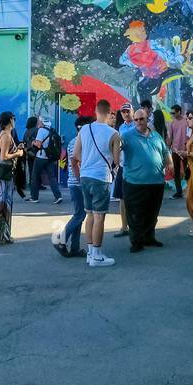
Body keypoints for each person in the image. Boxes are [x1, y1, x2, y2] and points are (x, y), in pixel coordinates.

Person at [73, 99, 120, 267]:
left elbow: (76, 155)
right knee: (100, 216)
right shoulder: (113, 133)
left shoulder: (84, 129)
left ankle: (90, 253)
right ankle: (98, 256)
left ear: (96, 111)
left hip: (85, 176)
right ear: (109, 113)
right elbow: (116, 160)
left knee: (90, 214)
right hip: (101, 177)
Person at [118, 106, 169, 252]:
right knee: (135, 214)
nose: (139, 122)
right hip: (134, 182)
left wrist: (170, 162)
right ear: (133, 121)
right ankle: (136, 241)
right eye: (136, 119)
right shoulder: (127, 135)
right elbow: (117, 147)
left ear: (147, 119)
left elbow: (165, 151)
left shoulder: (156, 136)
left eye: (142, 119)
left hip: (156, 182)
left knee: (152, 213)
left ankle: (149, 237)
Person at [54, 115, 93, 257]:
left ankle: (75, 248)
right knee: (80, 214)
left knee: (80, 215)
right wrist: (82, 180)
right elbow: (78, 163)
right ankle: (60, 239)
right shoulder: (82, 142)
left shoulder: (72, 142)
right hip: (79, 183)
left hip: (74, 183)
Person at [0, 112, 24, 242]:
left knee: (1, 204)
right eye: (14, 118)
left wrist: (16, 150)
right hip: (4, 174)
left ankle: (0, 234)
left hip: (3, 174)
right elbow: (4, 156)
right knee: (3, 204)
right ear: (10, 120)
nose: (14, 121)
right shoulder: (6, 136)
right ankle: (3, 235)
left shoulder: (4, 135)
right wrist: (18, 154)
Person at [29, 114, 64, 204]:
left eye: (39, 122)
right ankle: (58, 196)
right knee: (52, 177)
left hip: (41, 156)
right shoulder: (52, 130)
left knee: (34, 176)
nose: (38, 123)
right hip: (49, 157)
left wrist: (33, 142)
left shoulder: (41, 130)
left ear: (42, 122)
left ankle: (34, 197)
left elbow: (39, 144)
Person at [111, 104, 133, 235]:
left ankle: (136, 226)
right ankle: (124, 227)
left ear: (132, 112)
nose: (125, 113)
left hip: (135, 167)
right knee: (122, 198)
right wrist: (116, 161)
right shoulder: (121, 127)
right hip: (123, 166)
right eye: (123, 111)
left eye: (127, 111)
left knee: (135, 197)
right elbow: (118, 145)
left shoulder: (137, 126)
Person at [166, 104, 188, 199]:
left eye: (173, 112)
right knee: (176, 172)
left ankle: (190, 191)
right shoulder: (172, 123)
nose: (172, 114)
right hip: (175, 151)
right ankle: (179, 192)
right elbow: (170, 137)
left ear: (179, 112)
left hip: (186, 151)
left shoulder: (187, 122)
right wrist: (168, 150)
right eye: (171, 113)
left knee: (188, 171)